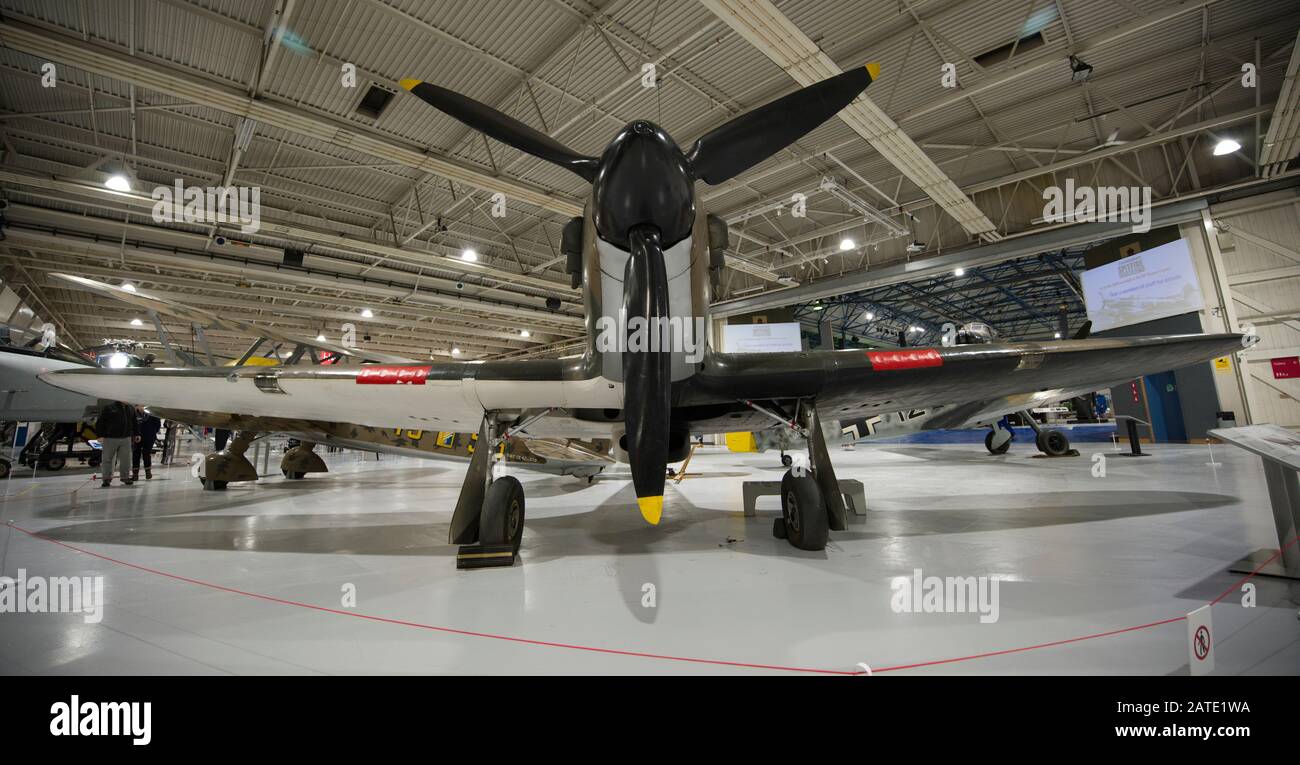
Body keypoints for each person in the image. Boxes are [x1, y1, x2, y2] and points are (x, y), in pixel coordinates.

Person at [95, 399, 138, 487]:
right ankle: (106, 479)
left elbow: (134, 422)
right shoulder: (109, 408)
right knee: (108, 459)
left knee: (126, 459)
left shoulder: (131, 408)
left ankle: (125, 477)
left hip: (126, 438)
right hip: (110, 438)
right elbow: (101, 421)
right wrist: (100, 435)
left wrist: (137, 433)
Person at [132, 406, 162, 481]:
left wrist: (152, 433)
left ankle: (148, 472)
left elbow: (157, 425)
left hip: (149, 437)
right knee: (136, 454)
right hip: (136, 437)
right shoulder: (134, 413)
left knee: (146, 454)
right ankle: (135, 474)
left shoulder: (152, 413)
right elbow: (132, 424)